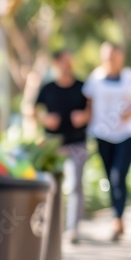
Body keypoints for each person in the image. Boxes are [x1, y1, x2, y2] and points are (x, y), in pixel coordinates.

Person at [83, 42, 131, 241]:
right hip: (102, 134)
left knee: (118, 176)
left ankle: (117, 219)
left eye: (115, 55)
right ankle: (117, 214)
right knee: (110, 178)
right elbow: (89, 105)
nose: (111, 59)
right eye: (108, 56)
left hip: (126, 134)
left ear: (121, 57)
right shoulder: (95, 77)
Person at [35, 50, 91, 243]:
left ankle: (73, 229)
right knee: (49, 186)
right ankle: (47, 226)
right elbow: (33, 110)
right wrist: (44, 119)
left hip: (77, 143)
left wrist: (85, 116)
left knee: (75, 184)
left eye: (69, 61)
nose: (67, 65)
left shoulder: (82, 87)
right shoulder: (48, 88)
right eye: (62, 62)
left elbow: (92, 109)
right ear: (56, 64)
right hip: (53, 145)